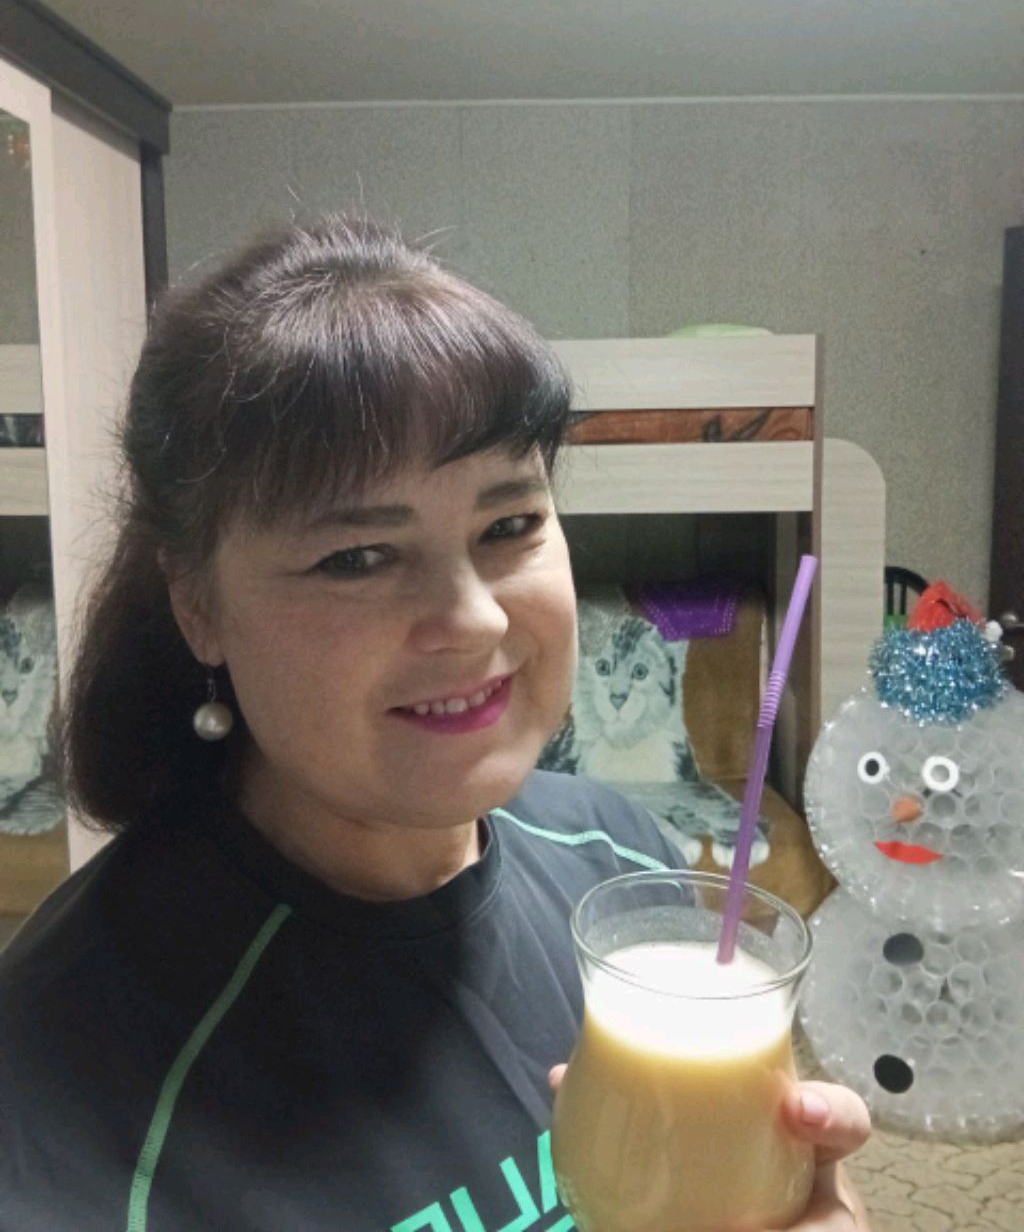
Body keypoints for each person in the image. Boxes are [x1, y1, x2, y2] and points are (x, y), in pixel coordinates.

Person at [0, 215, 872, 1231]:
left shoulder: (619, 859)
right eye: (356, 557)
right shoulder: (61, 1088)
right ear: (197, 602)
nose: (475, 620)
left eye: (509, 525)